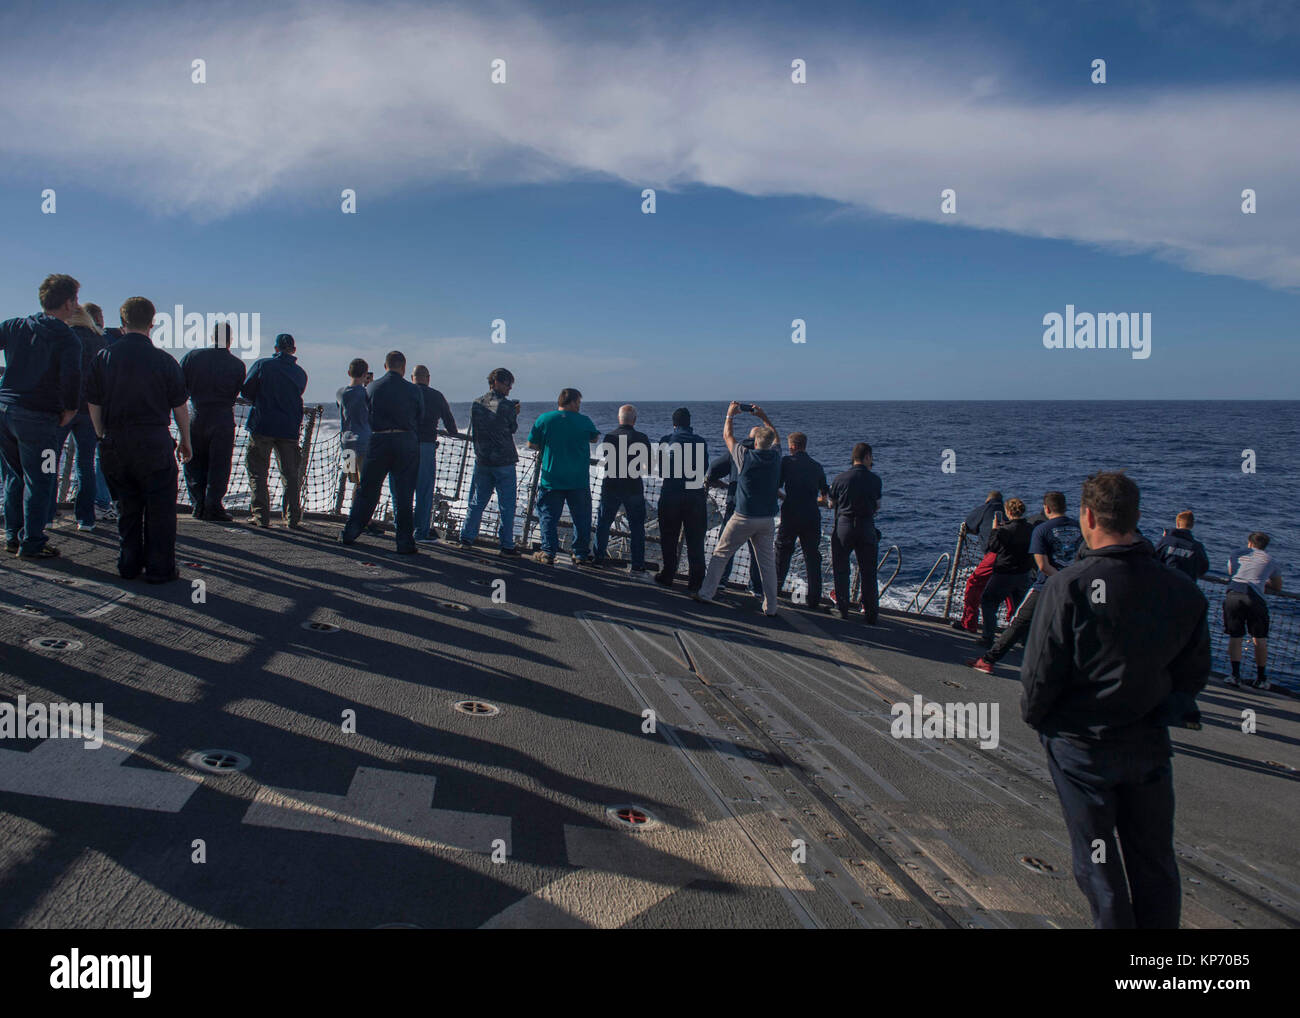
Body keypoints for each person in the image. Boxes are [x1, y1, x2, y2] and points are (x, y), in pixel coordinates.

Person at [1022, 471, 1209, 929]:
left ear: (1086, 516)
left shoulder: (1071, 585)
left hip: (1081, 747)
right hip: (1148, 746)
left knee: (1098, 865)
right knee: (1155, 863)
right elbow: (1193, 674)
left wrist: (1042, 721)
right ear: (1138, 518)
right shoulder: (1182, 590)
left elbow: (1040, 672)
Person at [85, 297, 192, 582]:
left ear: (122, 324)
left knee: (127, 509)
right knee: (160, 510)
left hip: (116, 443)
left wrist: (100, 435)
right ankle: (160, 569)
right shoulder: (165, 361)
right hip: (154, 441)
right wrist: (186, 440)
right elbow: (180, 407)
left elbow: (93, 403)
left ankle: (128, 564)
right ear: (152, 323)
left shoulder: (103, 358)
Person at [0, 274, 83, 558]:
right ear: (69, 302)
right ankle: (32, 542)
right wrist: (70, 410)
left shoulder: (13, 326)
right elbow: (72, 378)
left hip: (5, 413)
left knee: (14, 476)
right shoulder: (67, 338)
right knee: (43, 478)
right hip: (39, 419)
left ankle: (13, 536)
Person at [968, 491, 1082, 673]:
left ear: (1046, 507)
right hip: (1068, 585)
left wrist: (997, 530)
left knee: (1013, 617)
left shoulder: (1041, 529)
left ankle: (988, 655)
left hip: (1040, 582)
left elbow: (1042, 565)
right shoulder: (1078, 528)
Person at [695, 404, 782, 616]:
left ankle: (707, 593)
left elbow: (727, 435)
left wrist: (729, 414)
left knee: (721, 553)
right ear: (770, 443)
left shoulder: (745, 457)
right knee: (767, 565)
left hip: (743, 516)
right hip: (767, 519)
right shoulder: (776, 456)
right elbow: (777, 437)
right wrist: (763, 415)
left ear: (754, 442)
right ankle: (771, 606)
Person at [340, 351, 423, 553]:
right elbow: (420, 415)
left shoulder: (372, 387)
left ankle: (350, 532)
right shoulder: (413, 390)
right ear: (403, 367)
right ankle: (404, 542)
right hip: (405, 441)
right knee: (404, 494)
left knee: (367, 490)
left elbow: (366, 414)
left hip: (378, 440)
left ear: (385, 366)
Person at [46, 305, 105, 531]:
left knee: (50, 459)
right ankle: (85, 519)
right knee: (85, 464)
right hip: (89, 411)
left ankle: (47, 514)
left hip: (61, 410)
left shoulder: (62, 337)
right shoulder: (100, 342)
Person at [180, 322, 246, 522]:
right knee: (219, 464)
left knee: (193, 461)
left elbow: (180, 385)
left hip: (196, 414)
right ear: (230, 340)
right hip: (223, 417)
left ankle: (197, 505)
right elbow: (237, 391)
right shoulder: (237, 365)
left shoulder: (192, 357)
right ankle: (213, 505)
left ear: (212, 337)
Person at [241, 333, 307, 528]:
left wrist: (260, 399)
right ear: (293, 350)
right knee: (291, 475)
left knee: (258, 472)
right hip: (288, 429)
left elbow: (246, 390)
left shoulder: (263, 365)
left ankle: (261, 517)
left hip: (263, 424)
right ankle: (292, 518)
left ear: (276, 348)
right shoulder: (300, 373)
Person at [527, 388, 600, 565]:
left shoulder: (544, 419)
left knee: (548, 517)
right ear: (573, 402)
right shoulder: (584, 421)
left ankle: (548, 552)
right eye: (579, 403)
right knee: (581, 518)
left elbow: (531, 444)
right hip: (578, 479)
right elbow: (594, 439)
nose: (579, 406)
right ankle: (580, 554)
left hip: (551, 477)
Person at [459, 368, 521, 556]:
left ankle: (466, 537)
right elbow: (512, 428)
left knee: (478, 501)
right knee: (507, 505)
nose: (509, 388)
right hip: (504, 461)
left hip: (483, 459)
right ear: (496, 382)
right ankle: (507, 545)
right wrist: (515, 412)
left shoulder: (476, 403)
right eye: (507, 384)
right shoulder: (507, 406)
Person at [654, 407, 709, 590]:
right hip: (695, 495)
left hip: (671, 494)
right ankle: (696, 583)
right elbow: (704, 468)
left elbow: (660, 469)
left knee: (668, 537)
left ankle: (668, 574)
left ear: (674, 423)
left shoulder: (665, 441)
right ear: (689, 422)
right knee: (695, 540)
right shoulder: (700, 442)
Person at [592, 404, 652, 571]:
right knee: (637, 528)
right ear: (635, 420)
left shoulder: (610, 437)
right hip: (633, 487)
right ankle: (637, 565)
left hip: (611, 486)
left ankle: (598, 558)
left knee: (604, 524)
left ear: (619, 419)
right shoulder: (642, 438)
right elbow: (647, 463)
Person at [826, 443, 882, 622]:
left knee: (841, 568)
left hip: (844, 525)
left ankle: (842, 608)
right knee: (868, 571)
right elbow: (877, 506)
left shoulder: (840, 478)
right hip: (866, 526)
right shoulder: (875, 480)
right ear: (867, 457)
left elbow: (831, 503)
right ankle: (871, 613)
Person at [775, 431, 829, 609]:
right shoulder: (817, 466)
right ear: (805, 445)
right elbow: (825, 497)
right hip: (812, 514)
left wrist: (786, 498)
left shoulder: (786, 462)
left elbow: (776, 487)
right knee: (812, 556)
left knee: (783, 552)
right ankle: (814, 599)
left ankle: (774, 590)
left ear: (792, 446)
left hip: (791, 512)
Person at [1223, 532, 1284, 688]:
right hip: (1254, 598)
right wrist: (1263, 582)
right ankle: (1261, 678)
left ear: (1249, 543)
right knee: (1259, 638)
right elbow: (1277, 586)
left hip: (1233, 594)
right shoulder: (1271, 560)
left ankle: (1235, 676)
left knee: (1235, 636)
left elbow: (1232, 572)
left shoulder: (1236, 553)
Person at [705, 438, 763, 599]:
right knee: (758, 549)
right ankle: (757, 587)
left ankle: (721, 581)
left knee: (725, 544)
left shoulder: (737, 453)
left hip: (736, 506)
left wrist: (722, 483)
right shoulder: (769, 457)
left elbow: (713, 470)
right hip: (760, 510)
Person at [979, 497, 1034, 648]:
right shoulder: (1030, 529)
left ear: (1008, 512)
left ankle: (988, 637)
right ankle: (1024, 639)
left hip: (1004, 573)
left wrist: (995, 530)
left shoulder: (1004, 530)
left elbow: (993, 547)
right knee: (1021, 609)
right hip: (1023, 574)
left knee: (988, 602)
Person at [411, 364, 458, 545]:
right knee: (424, 491)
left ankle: (402, 527)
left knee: (401, 488)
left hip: (404, 444)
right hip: (426, 446)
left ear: (412, 377)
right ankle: (420, 531)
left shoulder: (405, 393)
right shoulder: (436, 396)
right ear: (428, 378)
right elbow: (451, 426)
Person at [953, 491, 1008, 631]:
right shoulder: (1006, 511)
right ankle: (1016, 627)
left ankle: (969, 623)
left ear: (987, 500)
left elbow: (969, 523)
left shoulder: (986, 509)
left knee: (973, 584)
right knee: (1009, 589)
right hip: (1013, 556)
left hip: (994, 555)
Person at [1154, 511, 1210, 581]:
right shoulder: (1197, 547)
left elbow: (1152, 558)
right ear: (1192, 525)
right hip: (1186, 587)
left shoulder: (1166, 541)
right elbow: (1203, 568)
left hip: (1164, 585)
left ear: (1177, 523)